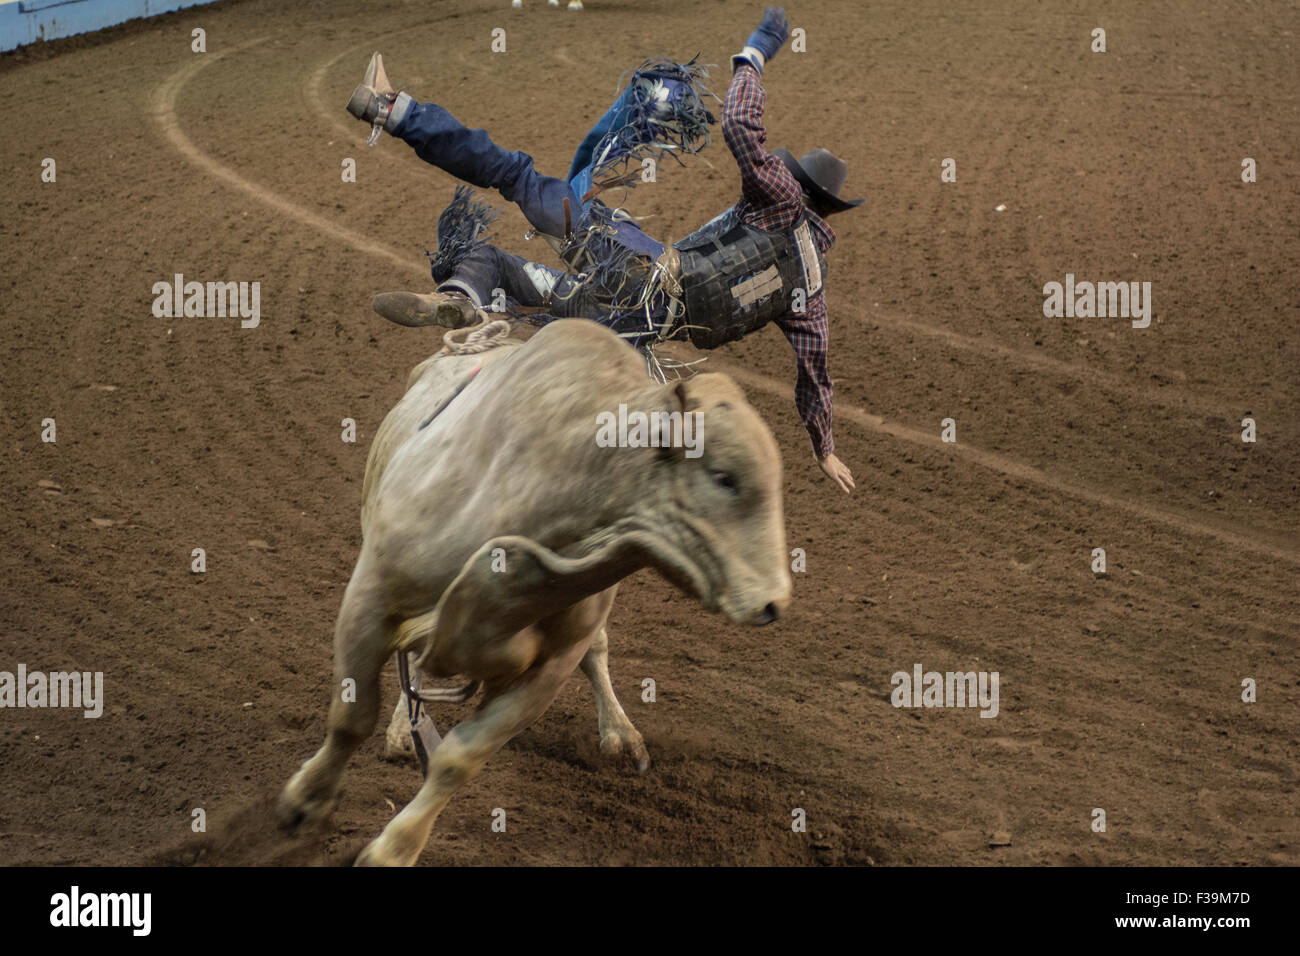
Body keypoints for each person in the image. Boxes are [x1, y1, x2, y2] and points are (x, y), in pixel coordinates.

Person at [347, 6, 860, 493]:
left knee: (516, 176)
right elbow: (815, 380)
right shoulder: (810, 296)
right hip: (626, 329)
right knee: (518, 288)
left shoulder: (782, 199)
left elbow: (740, 127)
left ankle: (392, 110)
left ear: (797, 184)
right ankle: (461, 302)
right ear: (830, 212)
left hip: (629, 263)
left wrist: (754, 54)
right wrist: (825, 449)